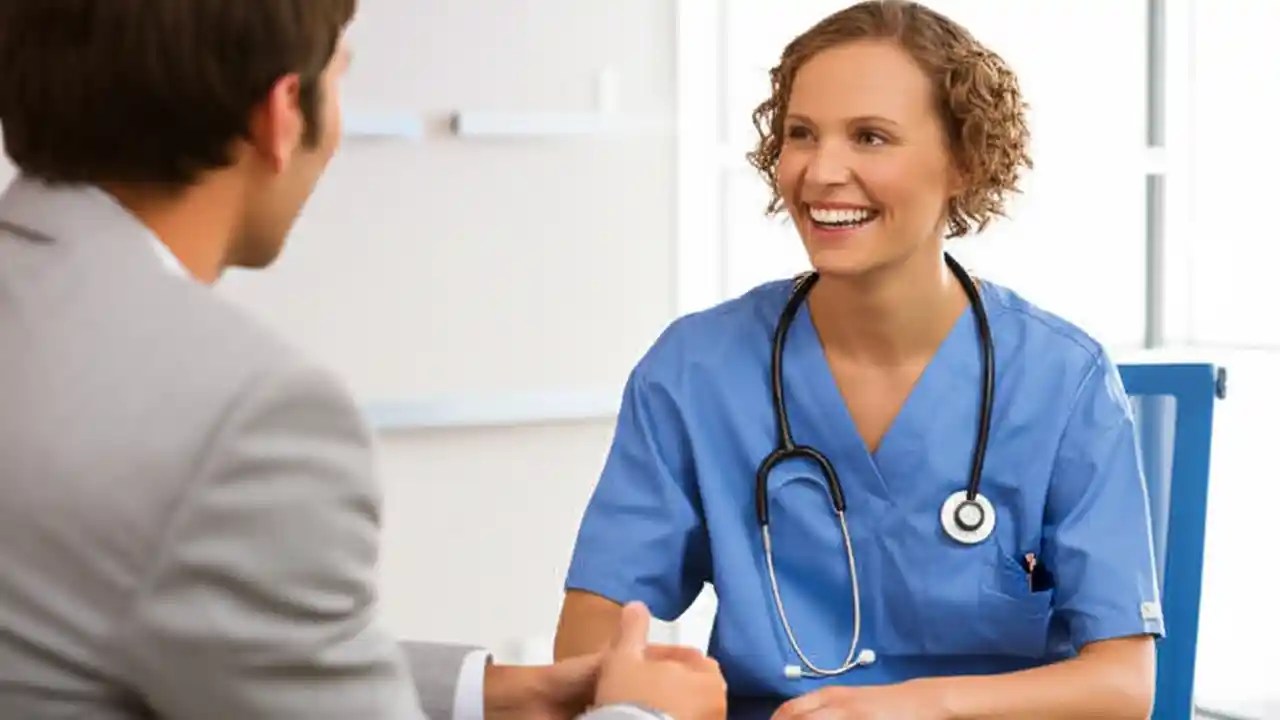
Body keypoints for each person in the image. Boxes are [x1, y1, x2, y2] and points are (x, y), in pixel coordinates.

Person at [0, 1, 727, 719]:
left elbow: (172, 629)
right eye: (338, 78)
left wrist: (497, 692)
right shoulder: (243, 413)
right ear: (281, 115)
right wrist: (645, 717)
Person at [553, 1, 1163, 718]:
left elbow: (1124, 686)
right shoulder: (694, 372)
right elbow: (592, 641)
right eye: (801, 134)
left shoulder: (1064, 381)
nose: (821, 171)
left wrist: (917, 707)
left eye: (871, 137)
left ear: (964, 160)